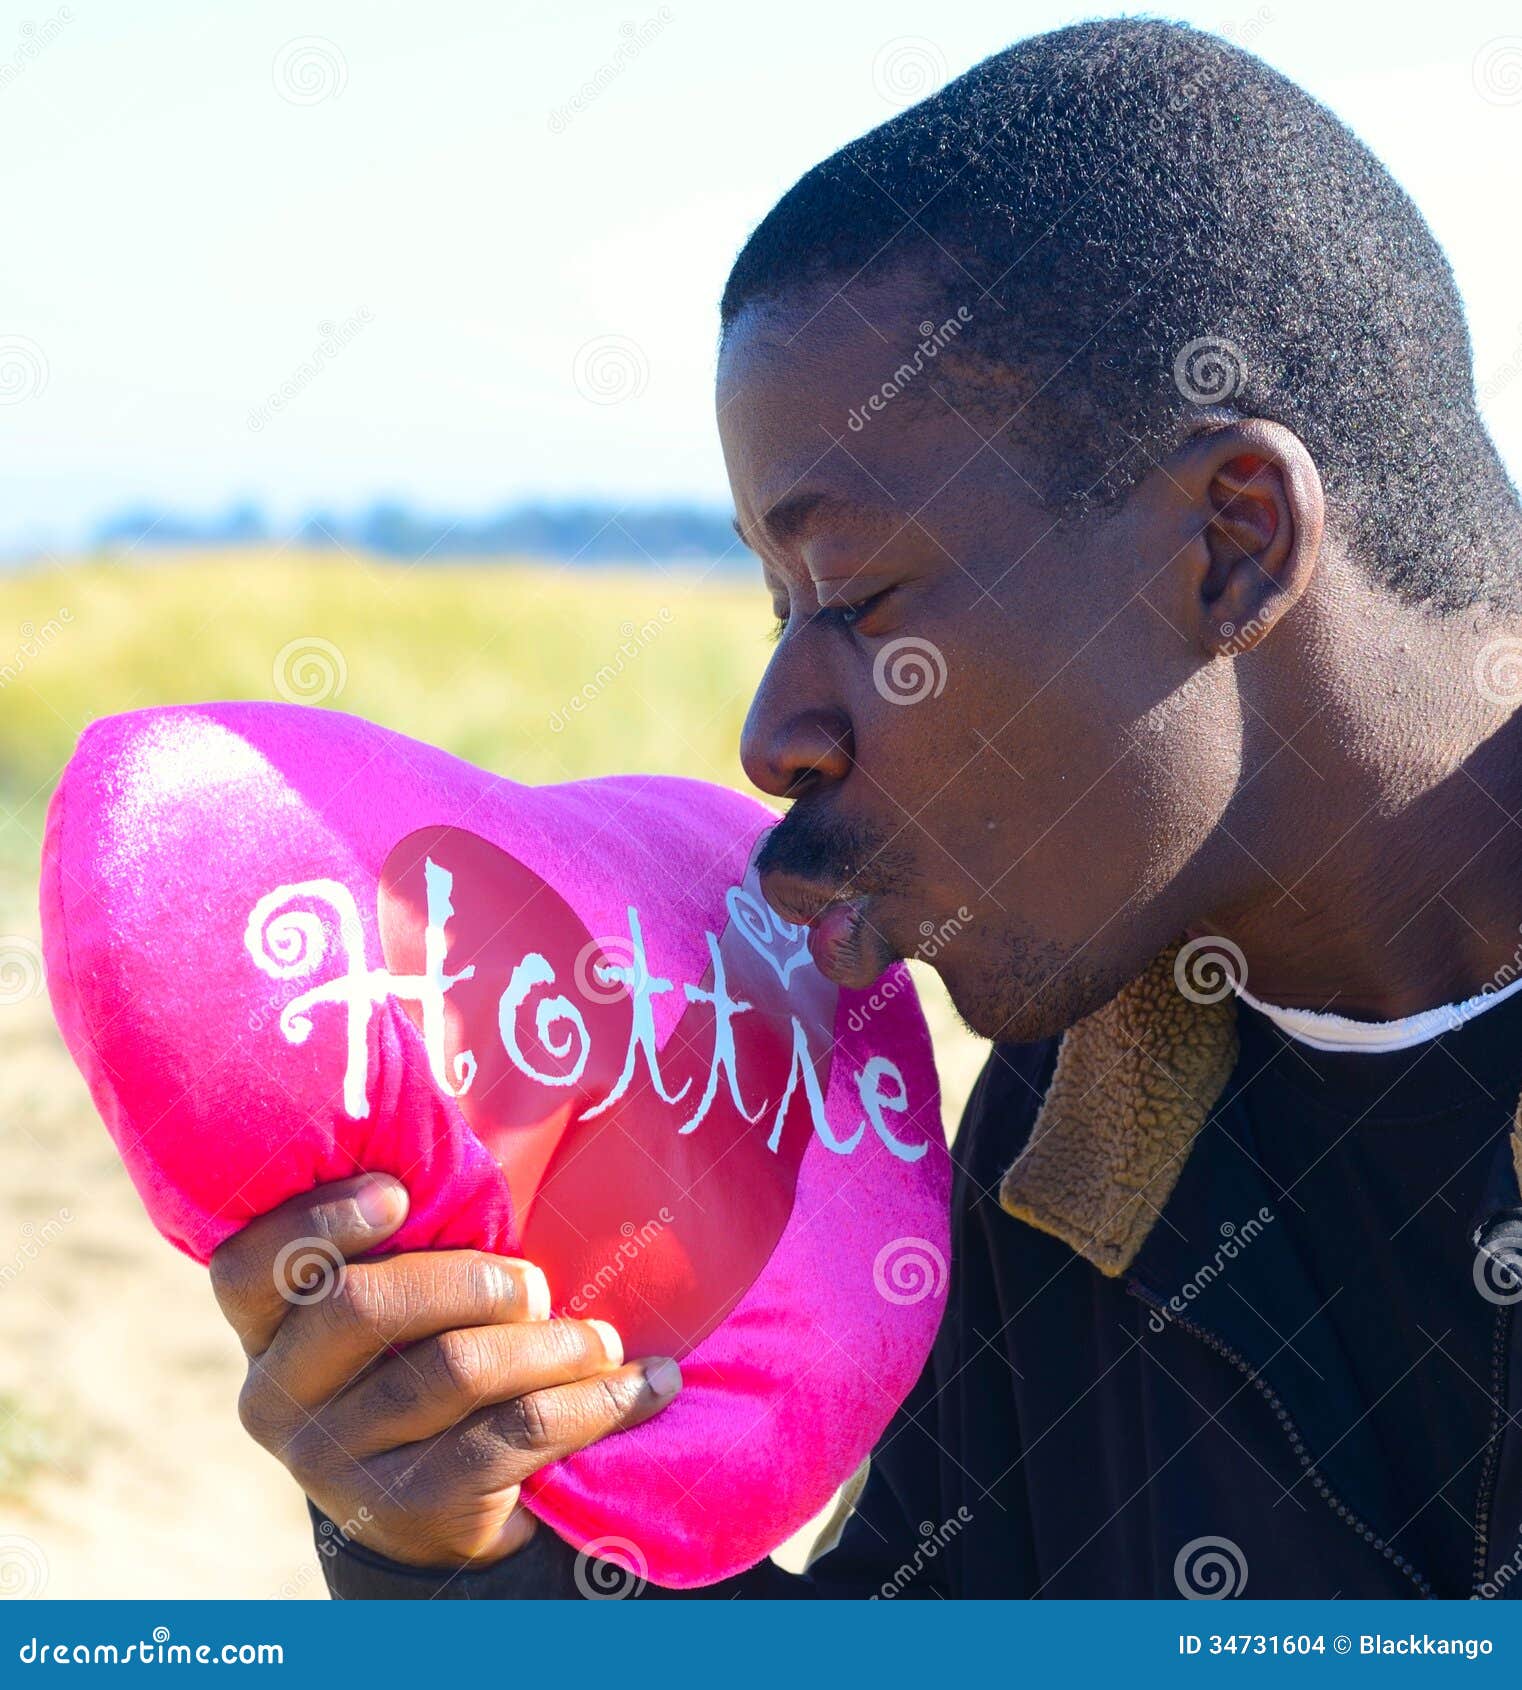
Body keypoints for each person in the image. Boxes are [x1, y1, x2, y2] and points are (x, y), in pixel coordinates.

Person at [210, 18, 1522, 1597]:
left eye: (858, 592)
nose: (772, 735)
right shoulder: (1079, 1135)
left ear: (1232, 541)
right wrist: (462, 1543)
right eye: (777, 606)